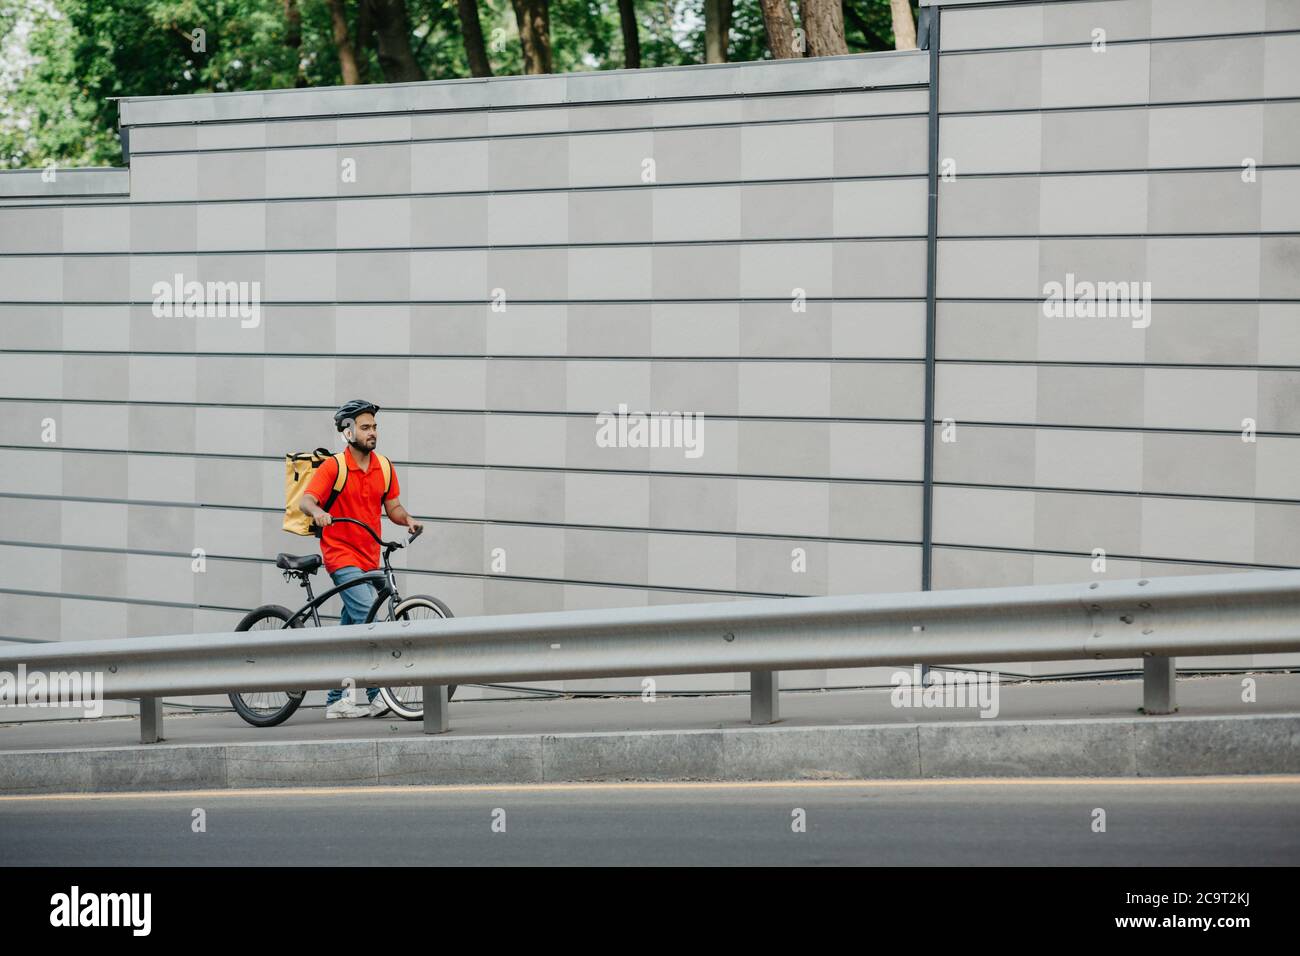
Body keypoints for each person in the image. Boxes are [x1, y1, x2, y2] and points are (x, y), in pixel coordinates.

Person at [299, 399, 424, 718]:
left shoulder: (383, 466)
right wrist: (320, 513)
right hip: (341, 554)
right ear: (347, 432)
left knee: (352, 625)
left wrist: (407, 519)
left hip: (370, 555)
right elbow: (307, 501)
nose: (372, 433)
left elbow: (392, 507)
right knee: (370, 621)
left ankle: (335, 700)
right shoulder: (334, 467)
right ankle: (377, 692)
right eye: (365, 427)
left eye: (374, 427)